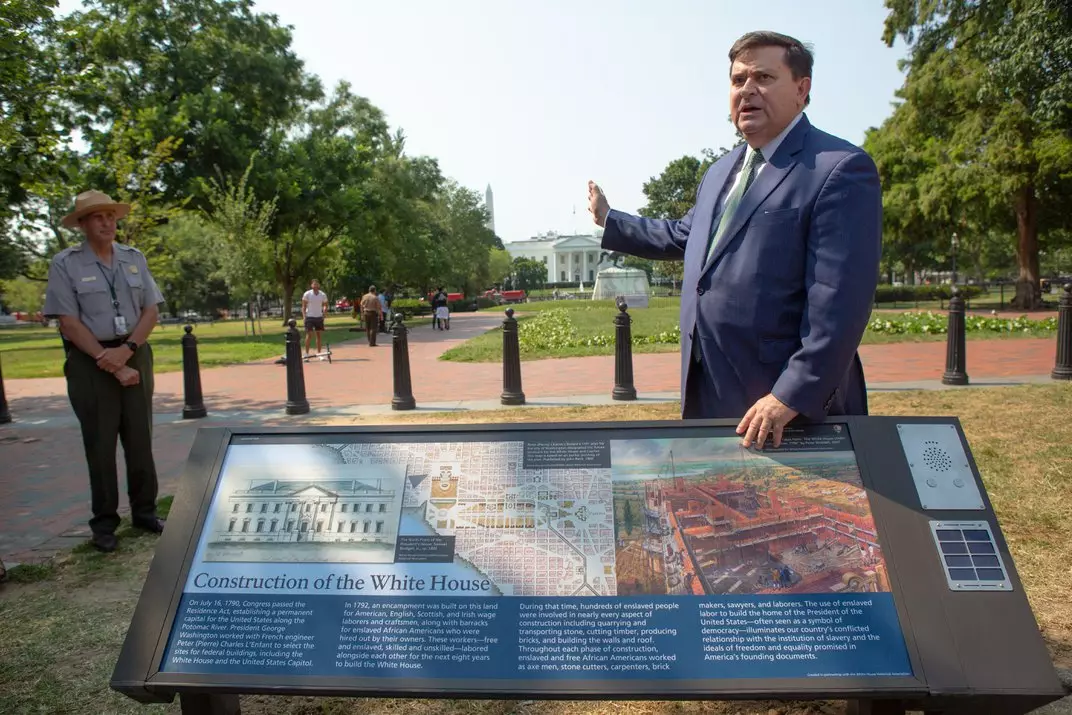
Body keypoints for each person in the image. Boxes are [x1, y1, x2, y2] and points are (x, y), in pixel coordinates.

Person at [587, 31, 881, 450]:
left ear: (802, 89)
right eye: (738, 79)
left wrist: (788, 395)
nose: (747, 90)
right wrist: (610, 220)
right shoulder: (719, 172)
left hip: (785, 411)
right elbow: (687, 237)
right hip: (711, 390)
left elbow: (840, 306)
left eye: (763, 76)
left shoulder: (838, 169)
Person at [42, 190, 166, 552]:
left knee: (140, 439)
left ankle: (145, 513)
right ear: (81, 224)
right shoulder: (65, 264)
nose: (107, 222)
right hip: (89, 361)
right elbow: (68, 321)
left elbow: (151, 312)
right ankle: (105, 524)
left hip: (133, 351)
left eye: (111, 215)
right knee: (100, 444)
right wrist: (106, 360)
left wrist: (126, 352)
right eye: (97, 217)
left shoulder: (133, 258)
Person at [301, 279, 329, 355]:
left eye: (317, 284)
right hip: (309, 316)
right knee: (309, 335)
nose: (315, 286)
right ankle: (306, 354)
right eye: (314, 284)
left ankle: (319, 354)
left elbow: (326, 305)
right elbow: (303, 306)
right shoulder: (307, 294)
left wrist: (324, 313)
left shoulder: (322, 294)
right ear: (311, 285)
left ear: (319, 285)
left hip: (319, 317)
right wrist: (304, 317)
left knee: (319, 336)